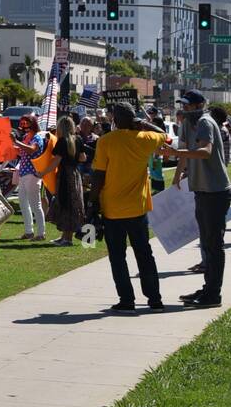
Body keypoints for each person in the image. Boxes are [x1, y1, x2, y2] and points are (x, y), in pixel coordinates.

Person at [89, 101, 166, 313]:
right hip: (138, 209)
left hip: (112, 208)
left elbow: (98, 176)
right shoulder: (145, 139)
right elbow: (163, 133)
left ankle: (127, 300)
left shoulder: (106, 141)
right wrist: (143, 123)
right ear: (133, 119)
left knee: (117, 256)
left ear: (114, 119)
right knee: (144, 254)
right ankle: (155, 299)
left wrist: (92, 202)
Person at [166, 90, 230, 308]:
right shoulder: (186, 123)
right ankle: (208, 289)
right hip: (200, 190)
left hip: (216, 191)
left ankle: (214, 294)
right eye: (183, 105)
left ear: (200, 104)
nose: (185, 108)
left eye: (189, 105)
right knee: (207, 243)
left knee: (214, 244)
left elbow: (205, 151)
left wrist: (174, 153)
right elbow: (184, 150)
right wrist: (176, 176)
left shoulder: (205, 122)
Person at [47, 114, 86, 245]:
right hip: (75, 175)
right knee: (72, 204)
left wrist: (42, 173)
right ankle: (65, 236)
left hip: (64, 175)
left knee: (65, 203)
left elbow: (56, 161)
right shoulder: (78, 139)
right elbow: (83, 158)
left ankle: (67, 238)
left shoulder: (62, 141)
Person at [12, 112, 47, 240]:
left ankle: (41, 233)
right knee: (23, 203)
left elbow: (31, 150)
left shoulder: (36, 138)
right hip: (24, 173)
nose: (23, 125)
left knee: (35, 204)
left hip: (32, 174)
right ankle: (29, 231)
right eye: (23, 123)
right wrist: (13, 147)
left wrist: (16, 142)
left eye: (26, 123)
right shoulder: (27, 137)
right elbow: (23, 152)